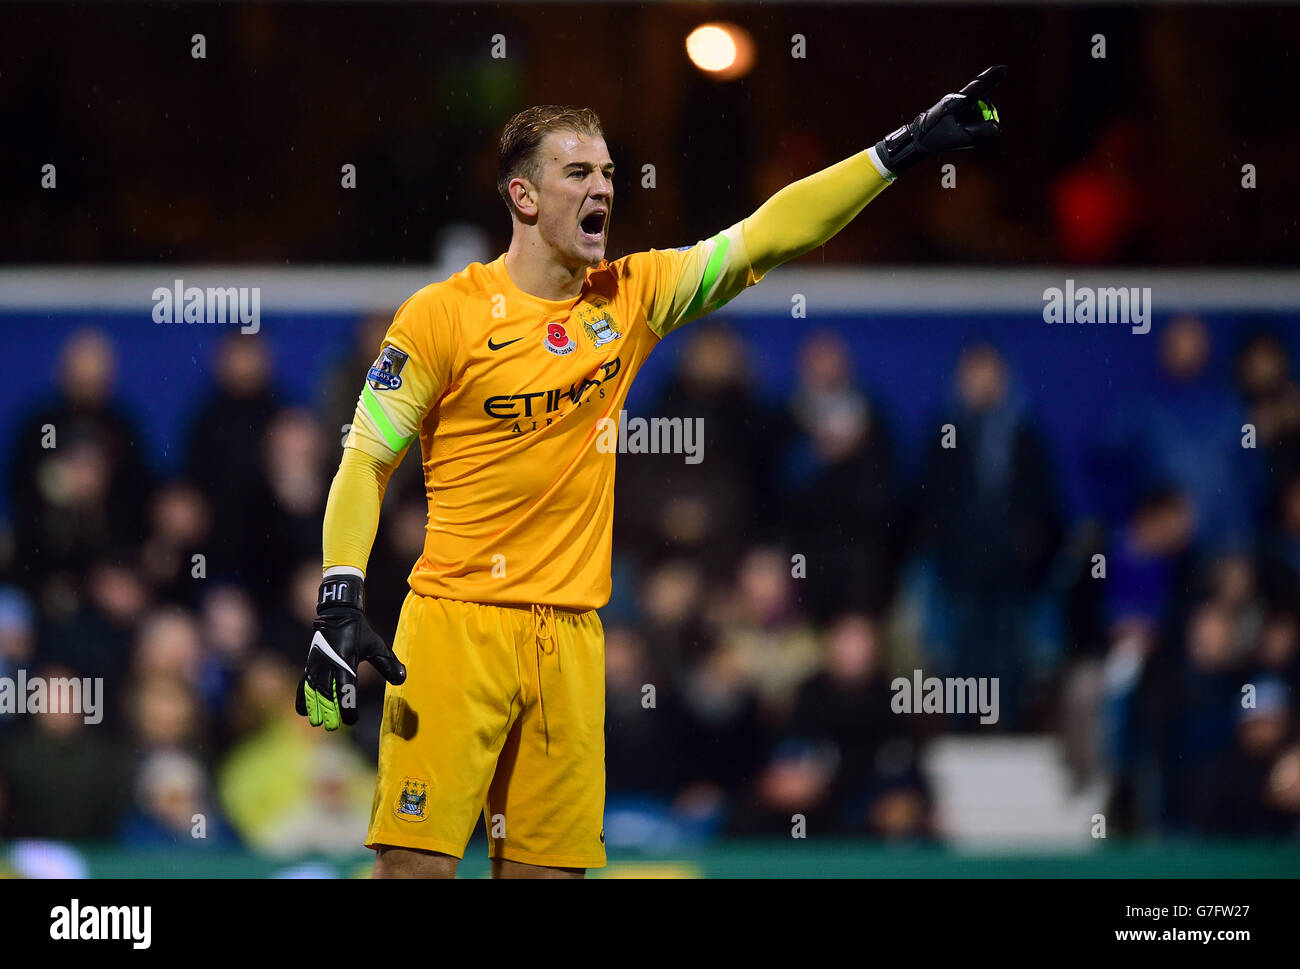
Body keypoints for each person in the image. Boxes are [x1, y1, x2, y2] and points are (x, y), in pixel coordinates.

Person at [296, 68, 1008, 878]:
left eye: (608, 172)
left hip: (571, 639)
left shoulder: (630, 297)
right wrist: (340, 597)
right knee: (414, 872)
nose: (604, 186)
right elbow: (366, 458)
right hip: (455, 625)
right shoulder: (440, 317)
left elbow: (770, 234)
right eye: (579, 172)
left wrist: (898, 151)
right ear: (524, 198)